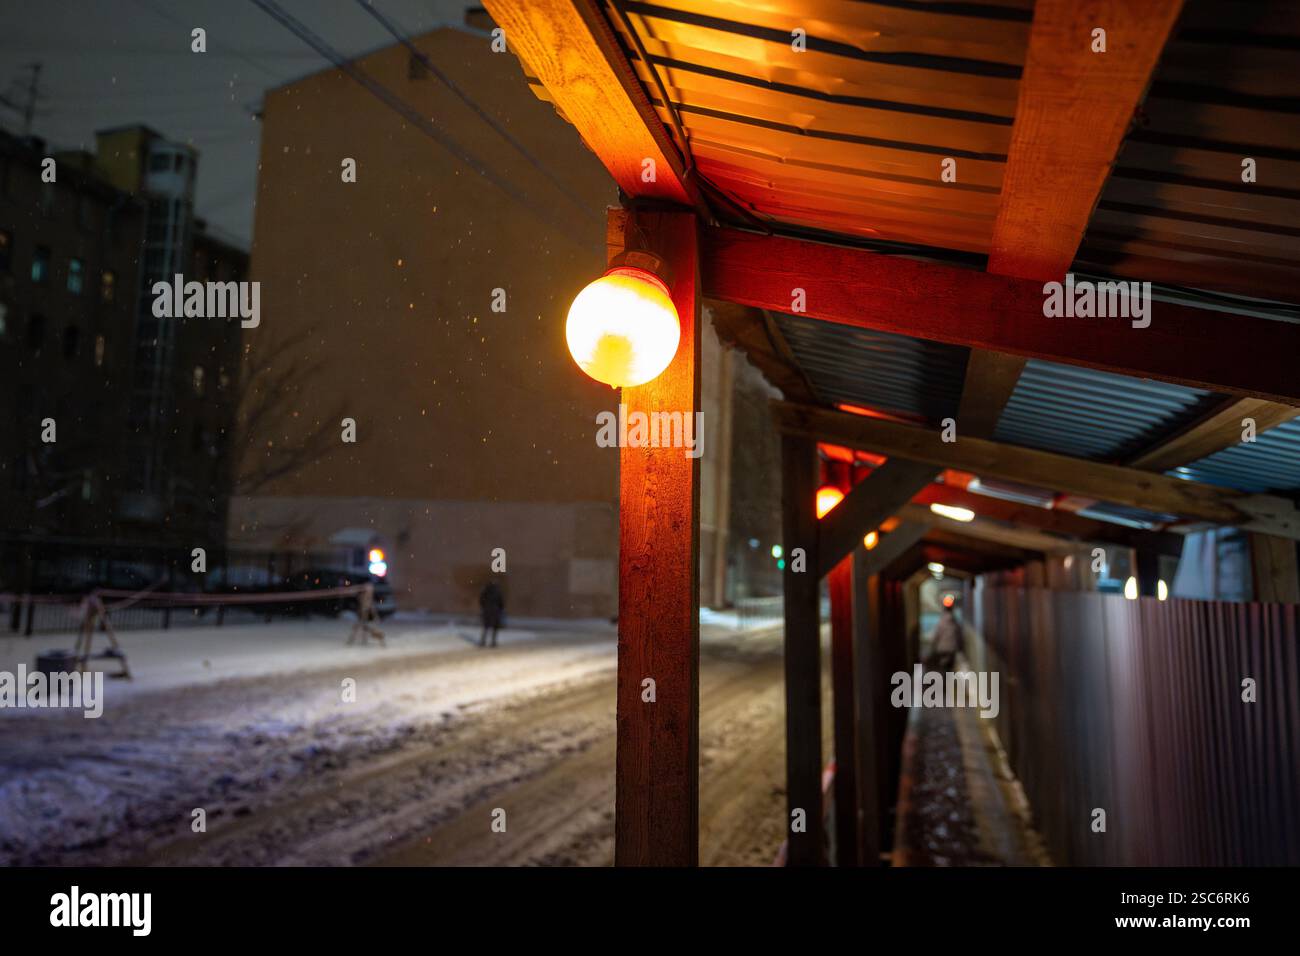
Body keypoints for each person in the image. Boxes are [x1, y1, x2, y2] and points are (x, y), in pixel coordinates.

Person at [927, 606, 962, 671]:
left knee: (942, 667)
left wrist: (933, 646)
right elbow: (959, 636)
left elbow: (936, 636)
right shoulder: (955, 623)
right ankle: (949, 678)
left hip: (942, 649)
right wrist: (959, 647)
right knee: (950, 668)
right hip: (952, 649)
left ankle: (943, 678)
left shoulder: (941, 622)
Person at [478, 580, 504, 648]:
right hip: (495, 611)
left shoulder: (486, 591)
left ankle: (483, 641)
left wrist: (484, 607)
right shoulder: (498, 592)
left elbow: (481, 600)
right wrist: (500, 609)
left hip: (487, 611)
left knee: (486, 627)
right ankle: (493, 642)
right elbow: (501, 602)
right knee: (494, 628)